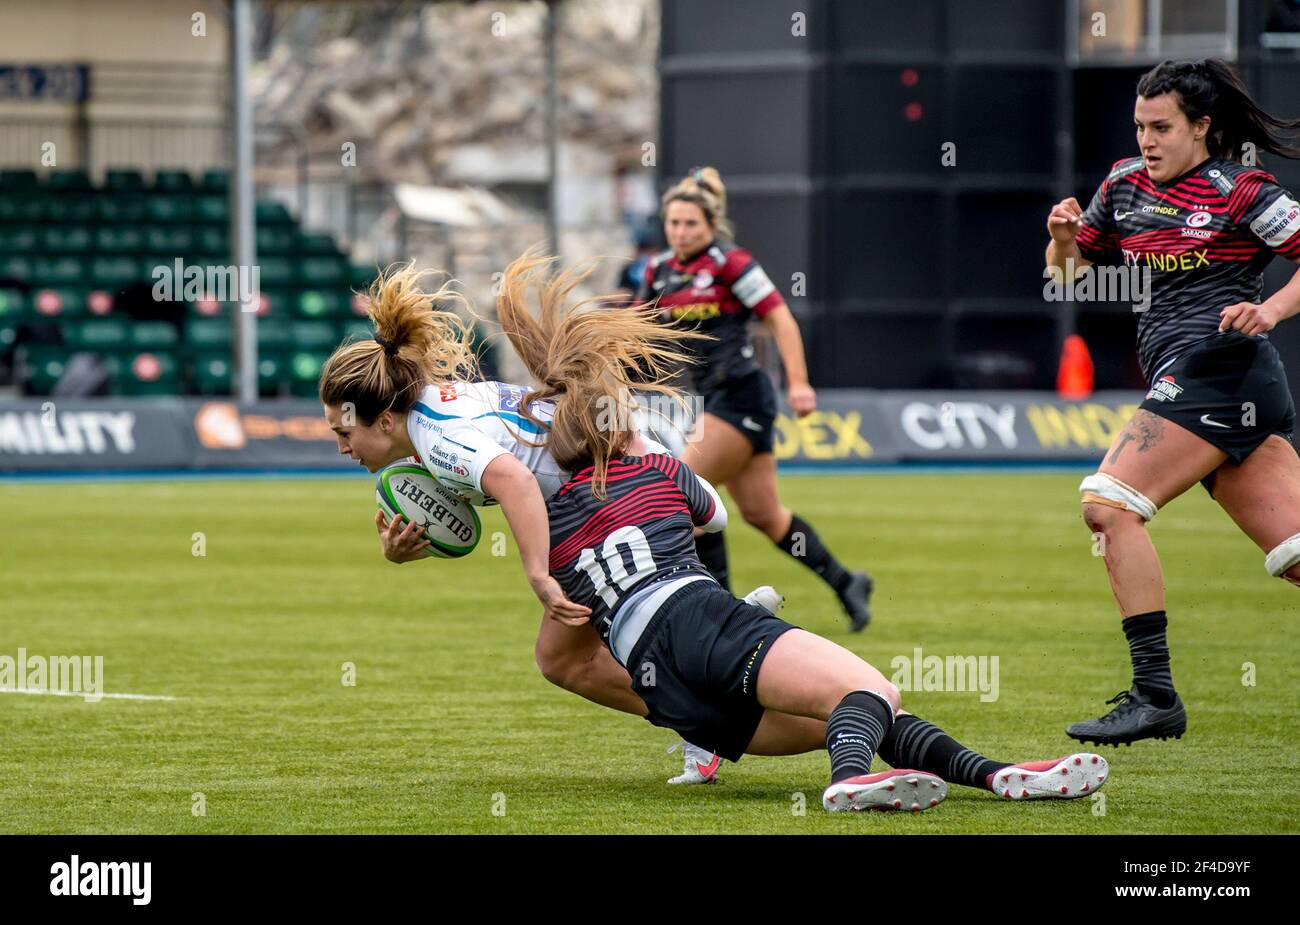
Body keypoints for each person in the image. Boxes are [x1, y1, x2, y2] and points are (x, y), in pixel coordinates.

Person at [498, 252, 1110, 811]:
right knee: (871, 689)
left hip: (663, 686)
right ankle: (847, 780)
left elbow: (561, 646)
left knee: (857, 713)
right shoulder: (659, 468)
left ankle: (997, 776)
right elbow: (714, 516)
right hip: (697, 618)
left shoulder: (552, 528)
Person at [317, 258, 770, 783]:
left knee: (578, 656)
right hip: (617, 468)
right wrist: (405, 548)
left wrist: (538, 574)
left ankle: (713, 685)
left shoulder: (436, 437)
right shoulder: (426, 417)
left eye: (344, 433)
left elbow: (515, 481)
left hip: (606, 490)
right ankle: (719, 641)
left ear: (386, 420)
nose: (342, 447)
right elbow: (470, 492)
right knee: (573, 653)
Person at [1046, 59, 1300, 746]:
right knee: (1296, 555)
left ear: (1202, 128)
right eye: (1139, 126)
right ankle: (1155, 696)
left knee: (1107, 503)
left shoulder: (1241, 189)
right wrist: (1064, 239)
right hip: (1205, 386)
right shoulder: (1123, 185)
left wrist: (1270, 309)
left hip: (1221, 371)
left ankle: (1155, 695)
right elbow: (1068, 277)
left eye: (1162, 127)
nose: (1147, 140)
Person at [638, 167, 875, 633]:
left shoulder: (731, 264)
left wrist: (800, 382)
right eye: (674, 223)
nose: (681, 232)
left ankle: (722, 619)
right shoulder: (658, 270)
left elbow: (780, 318)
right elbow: (638, 331)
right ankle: (847, 582)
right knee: (765, 515)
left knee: (683, 494)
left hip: (742, 397)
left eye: (691, 224)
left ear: (711, 226)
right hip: (712, 401)